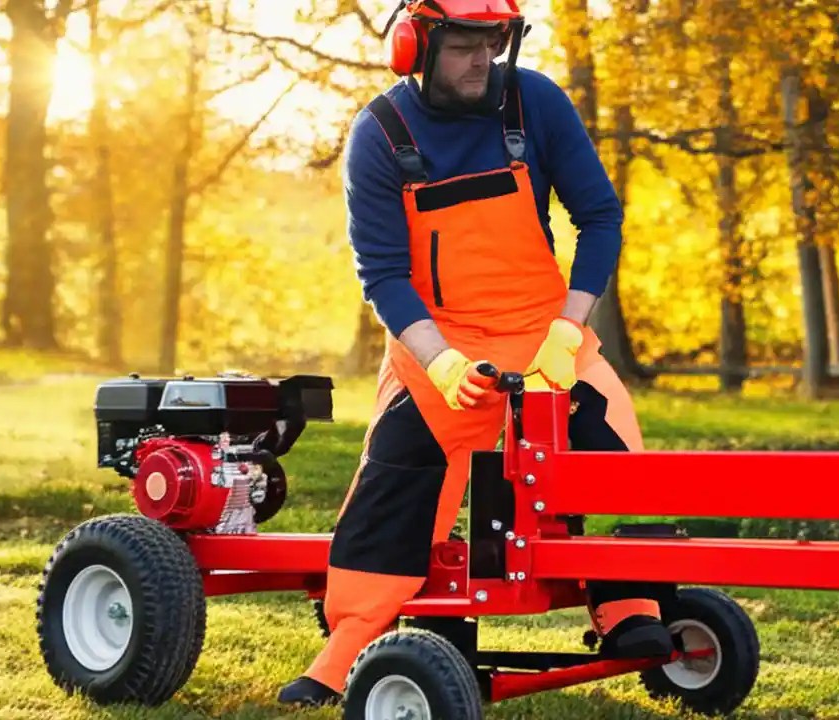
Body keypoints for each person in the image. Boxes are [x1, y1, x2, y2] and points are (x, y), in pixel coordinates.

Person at [278, 0, 673, 706]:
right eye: (464, 45)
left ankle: (631, 610)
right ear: (415, 45)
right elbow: (385, 277)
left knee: (619, 465)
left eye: (492, 43)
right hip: (442, 350)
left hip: (549, 338)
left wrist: (568, 331)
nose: (481, 60)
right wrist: (442, 364)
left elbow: (600, 217)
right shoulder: (379, 134)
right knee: (391, 495)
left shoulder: (536, 103)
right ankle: (345, 652)